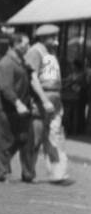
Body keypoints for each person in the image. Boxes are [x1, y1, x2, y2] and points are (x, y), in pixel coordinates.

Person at [0, 31, 36, 183]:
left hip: (21, 107)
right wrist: (18, 103)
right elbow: (5, 87)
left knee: (25, 139)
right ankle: (2, 172)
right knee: (4, 140)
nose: (28, 47)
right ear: (15, 45)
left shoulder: (21, 62)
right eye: (25, 44)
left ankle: (27, 173)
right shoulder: (6, 63)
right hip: (5, 108)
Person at [25, 24, 70, 184]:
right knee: (36, 137)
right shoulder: (35, 51)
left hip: (55, 98)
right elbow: (33, 78)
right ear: (44, 38)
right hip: (42, 99)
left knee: (55, 135)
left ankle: (57, 173)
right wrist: (43, 100)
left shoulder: (51, 52)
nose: (56, 40)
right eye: (53, 37)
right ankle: (28, 171)